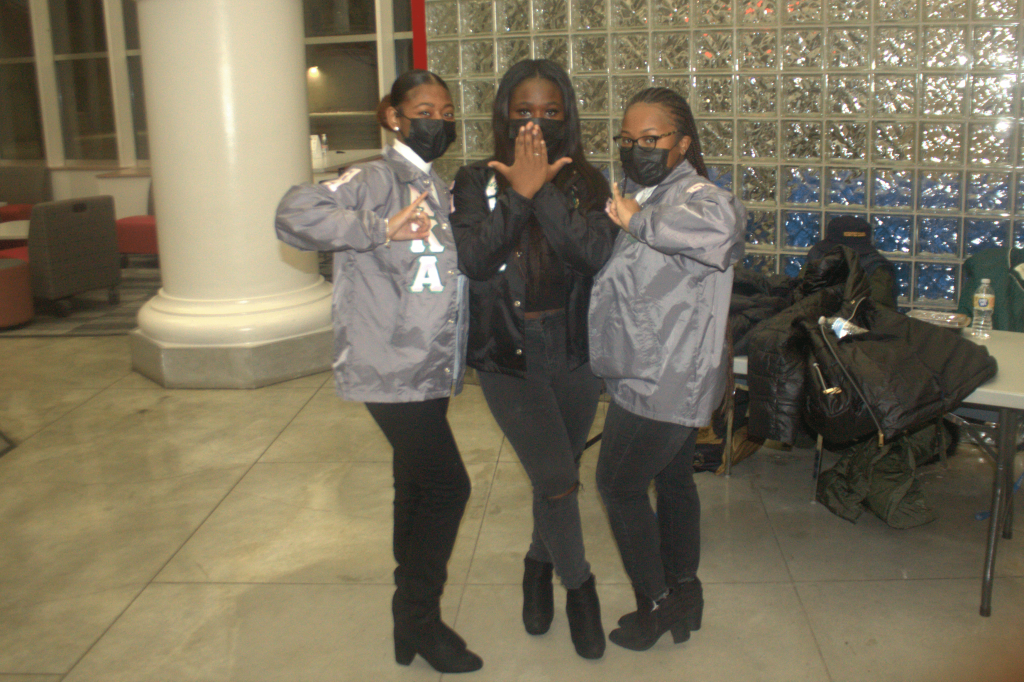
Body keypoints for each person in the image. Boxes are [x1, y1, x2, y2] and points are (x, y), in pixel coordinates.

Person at [275, 70, 482, 674]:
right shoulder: (375, 177)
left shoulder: (429, 179)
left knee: (416, 485)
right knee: (449, 486)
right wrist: (374, 228)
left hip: (426, 361)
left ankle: (406, 619)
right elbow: (295, 212)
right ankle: (421, 619)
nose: (437, 119)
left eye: (445, 110)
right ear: (391, 115)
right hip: (391, 366)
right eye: (423, 109)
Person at [450, 59, 616, 659]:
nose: (536, 123)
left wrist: (542, 189)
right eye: (523, 111)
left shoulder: (588, 182)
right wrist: (515, 196)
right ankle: (581, 589)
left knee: (559, 476)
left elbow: (593, 253)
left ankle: (535, 564)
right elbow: (472, 258)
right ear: (504, 115)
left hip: (573, 351)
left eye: (550, 112)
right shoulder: (473, 180)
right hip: (507, 354)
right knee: (555, 479)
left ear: (567, 117)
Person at [591, 87, 745, 651]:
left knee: (616, 484)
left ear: (682, 144)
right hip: (646, 369)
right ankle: (686, 591)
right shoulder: (637, 190)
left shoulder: (699, 197)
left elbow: (723, 234)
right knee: (674, 482)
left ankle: (657, 602)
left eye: (651, 139)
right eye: (628, 139)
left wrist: (640, 221)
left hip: (665, 379)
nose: (637, 149)